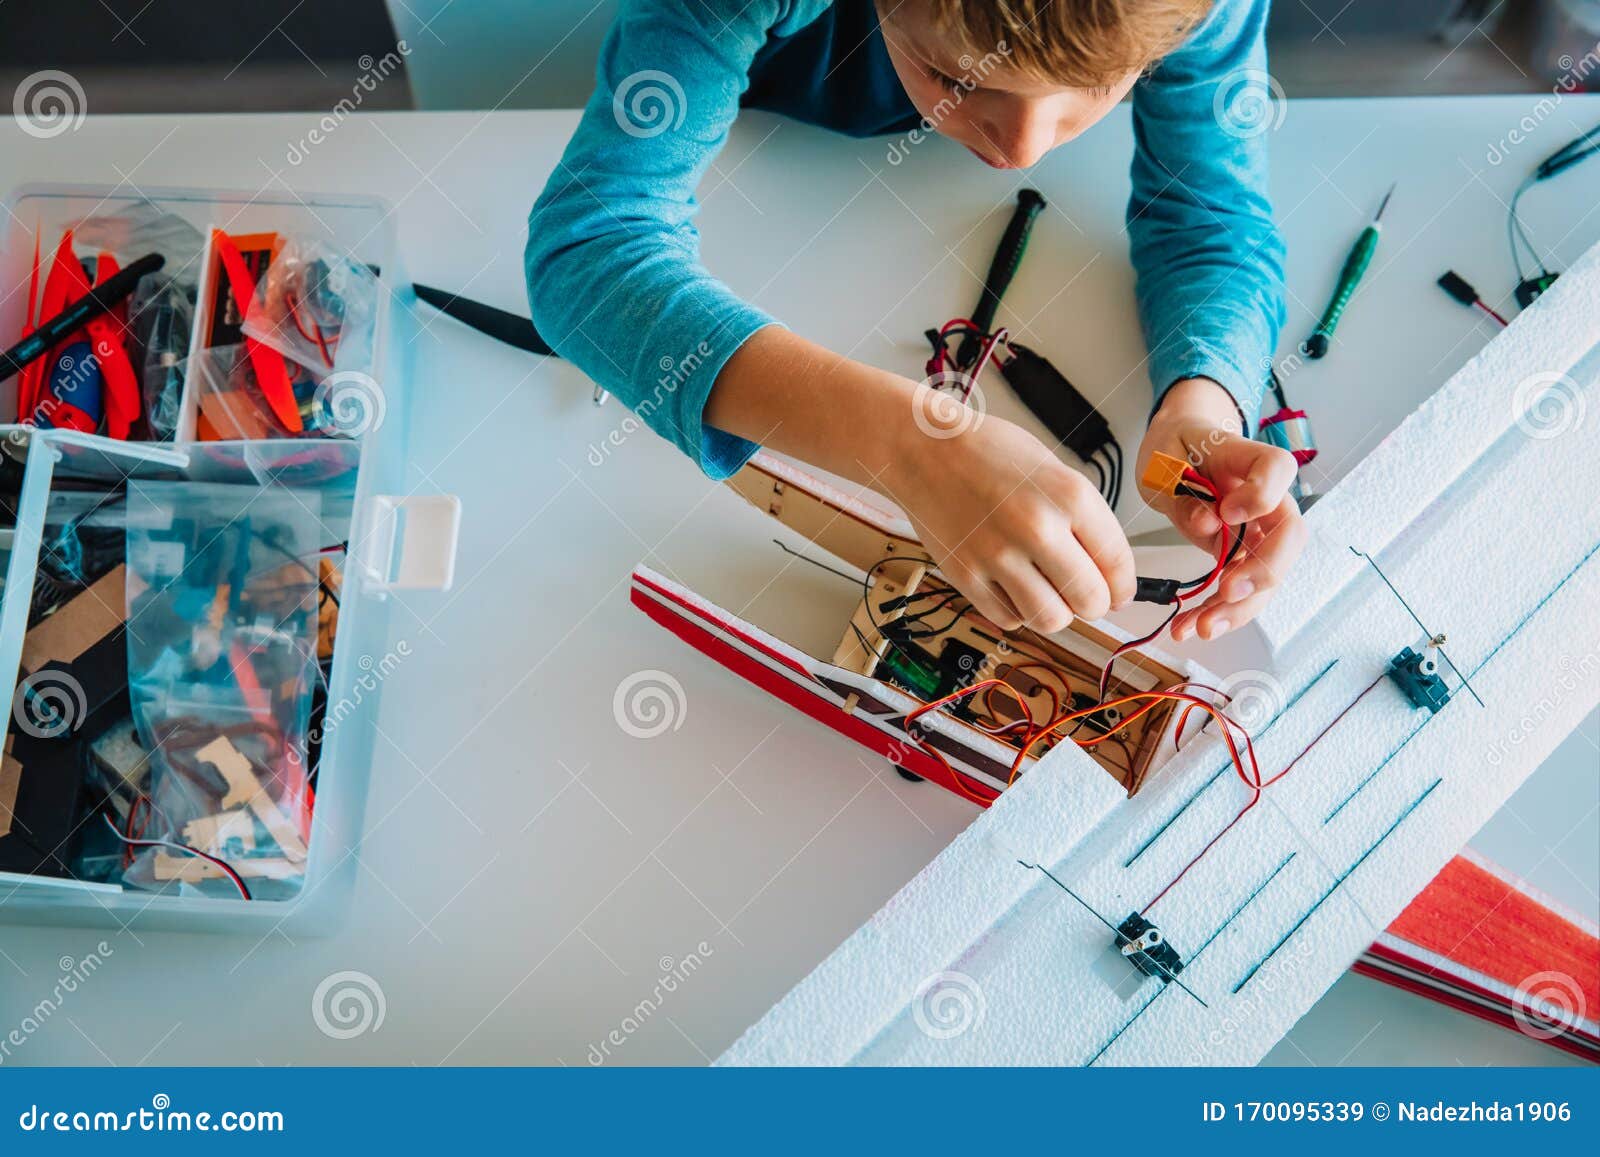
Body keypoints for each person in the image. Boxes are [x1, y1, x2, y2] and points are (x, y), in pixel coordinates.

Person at [528, 0, 1305, 642]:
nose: (1024, 150)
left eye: (1097, 85)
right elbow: (590, 249)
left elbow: (1210, 218)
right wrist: (906, 446)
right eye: (952, 77)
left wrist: (1203, 404)